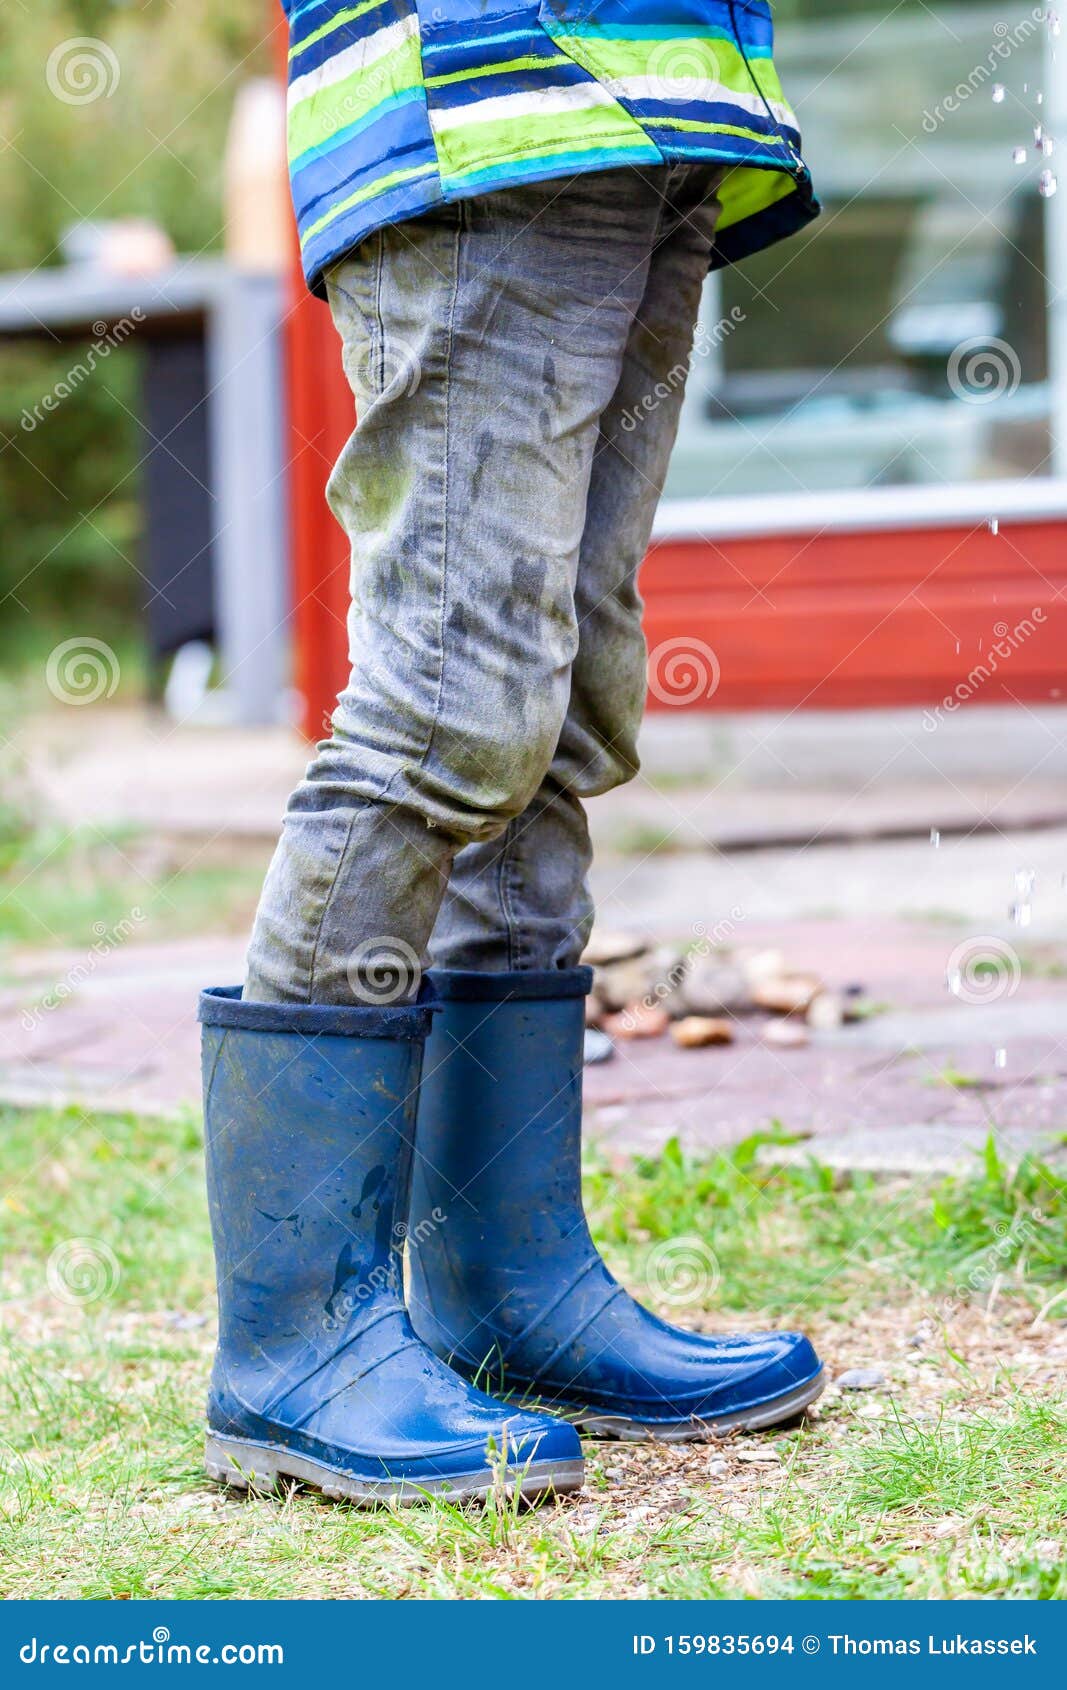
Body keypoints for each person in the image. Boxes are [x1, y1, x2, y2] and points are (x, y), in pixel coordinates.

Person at [199, 0, 825, 1506]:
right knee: (452, 702)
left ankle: (509, 1281)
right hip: (488, 91)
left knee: (563, 702)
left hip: (664, 106)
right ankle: (294, 1341)